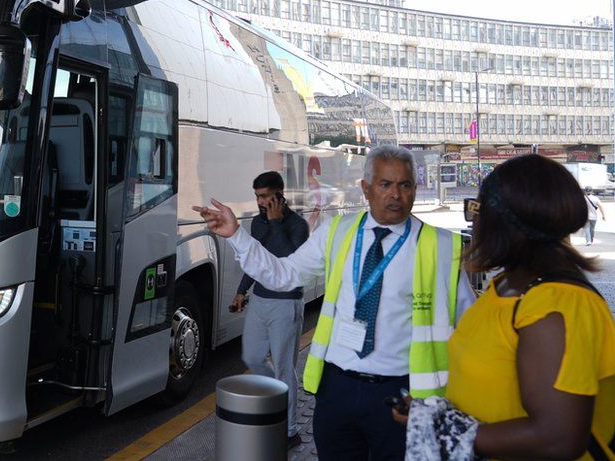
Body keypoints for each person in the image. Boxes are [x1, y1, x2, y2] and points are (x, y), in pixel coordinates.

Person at [193, 145, 476, 460]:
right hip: (337, 389)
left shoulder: (441, 247)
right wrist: (236, 235)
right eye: (385, 184)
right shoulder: (338, 232)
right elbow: (283, 274)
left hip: (402, 394)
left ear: (415, 188)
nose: (396, 194)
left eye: (405, 185)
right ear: (366, 189)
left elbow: (471, 331)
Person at [408, 154, 615, 460]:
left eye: (476, 209)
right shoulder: (505, 286)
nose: (471, 220)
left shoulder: (556, 305)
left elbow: (558, 438)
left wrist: (441, 429)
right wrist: (432, 416)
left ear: (506, 224)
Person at [229, 171, 309, 447]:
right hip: (261, 300)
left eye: (264, 196)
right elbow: (255, 261)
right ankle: (274, 398)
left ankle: (289, 430)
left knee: (284, 368)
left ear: (280, 195)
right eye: (257, 197)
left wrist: (276, 223)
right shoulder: (256, 222)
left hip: (287, 303)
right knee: (252, 357)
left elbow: (288, 264)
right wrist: (242, 291)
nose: (260, 202)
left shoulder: (298, 225)